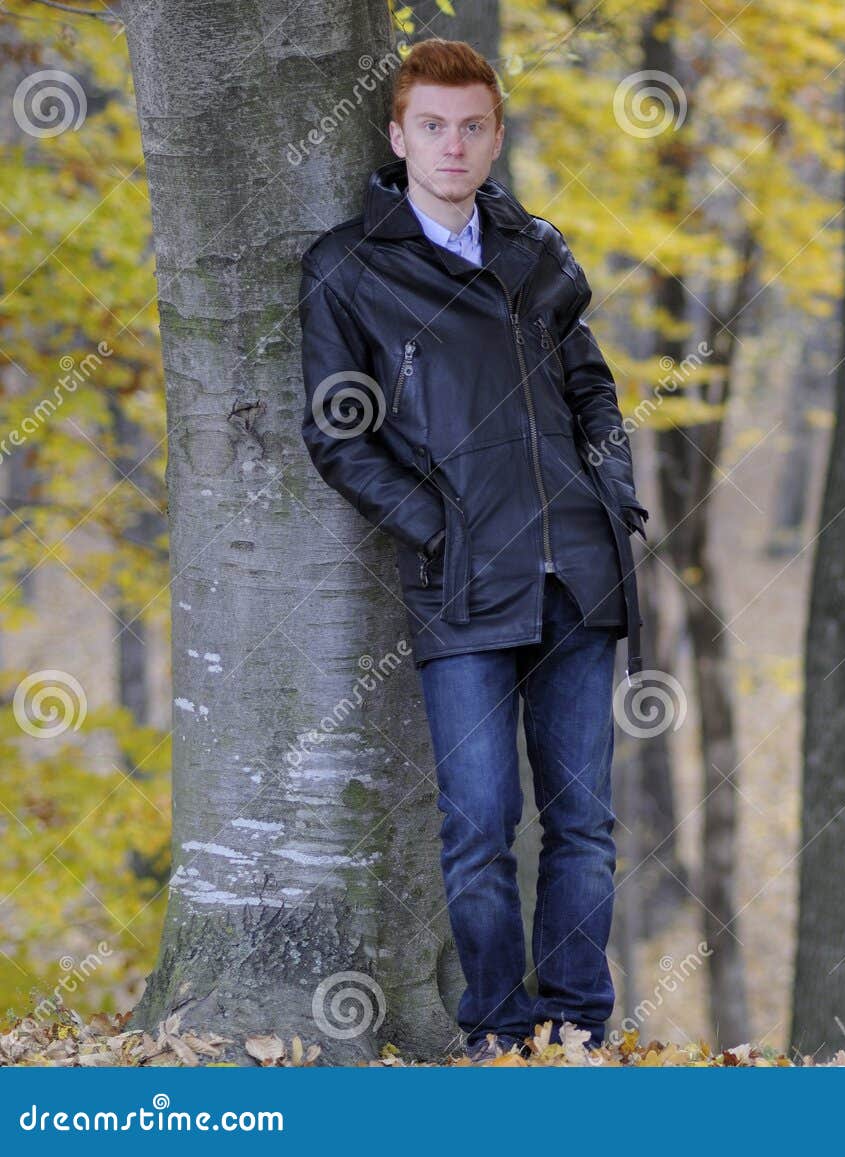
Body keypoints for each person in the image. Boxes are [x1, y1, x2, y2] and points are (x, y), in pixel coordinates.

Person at [297, 37, 648, 1062]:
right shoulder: (348, 268)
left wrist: (610, 486)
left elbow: (592, 384)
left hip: (577, 570)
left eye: (474, 126)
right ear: (400, 135)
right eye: (433, 126)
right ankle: (500, 1029)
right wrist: (438, 527)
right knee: (479, 826)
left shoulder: (535, 247)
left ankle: (577, 1025)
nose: (454, 145)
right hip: (460, 583)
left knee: (583, 824)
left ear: (495, 137)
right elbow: (336, 432)